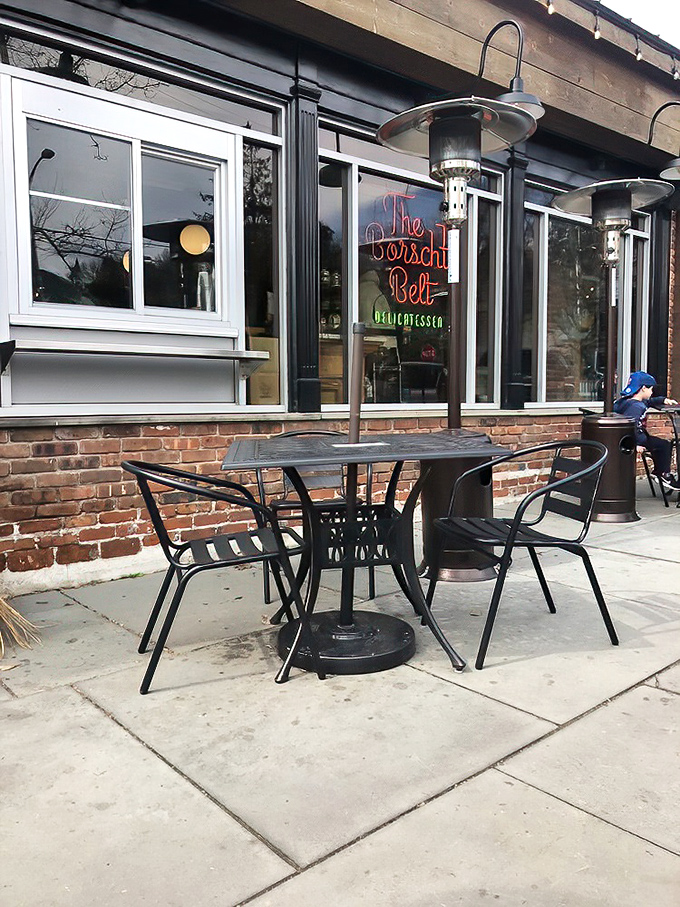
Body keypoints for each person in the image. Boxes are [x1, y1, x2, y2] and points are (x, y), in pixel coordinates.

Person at [613, 371, 679, 493]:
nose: (652, 392)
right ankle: (663, 474)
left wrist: (663, 400)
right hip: (637, 438)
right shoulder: (636, 407)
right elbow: (630, 427)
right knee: (664, 445)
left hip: (634, 437)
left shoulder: (629, 401)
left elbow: (649, 402)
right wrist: (635, 444)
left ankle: (659, 472)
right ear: (643, 388)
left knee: (660, 445)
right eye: (651, 389)